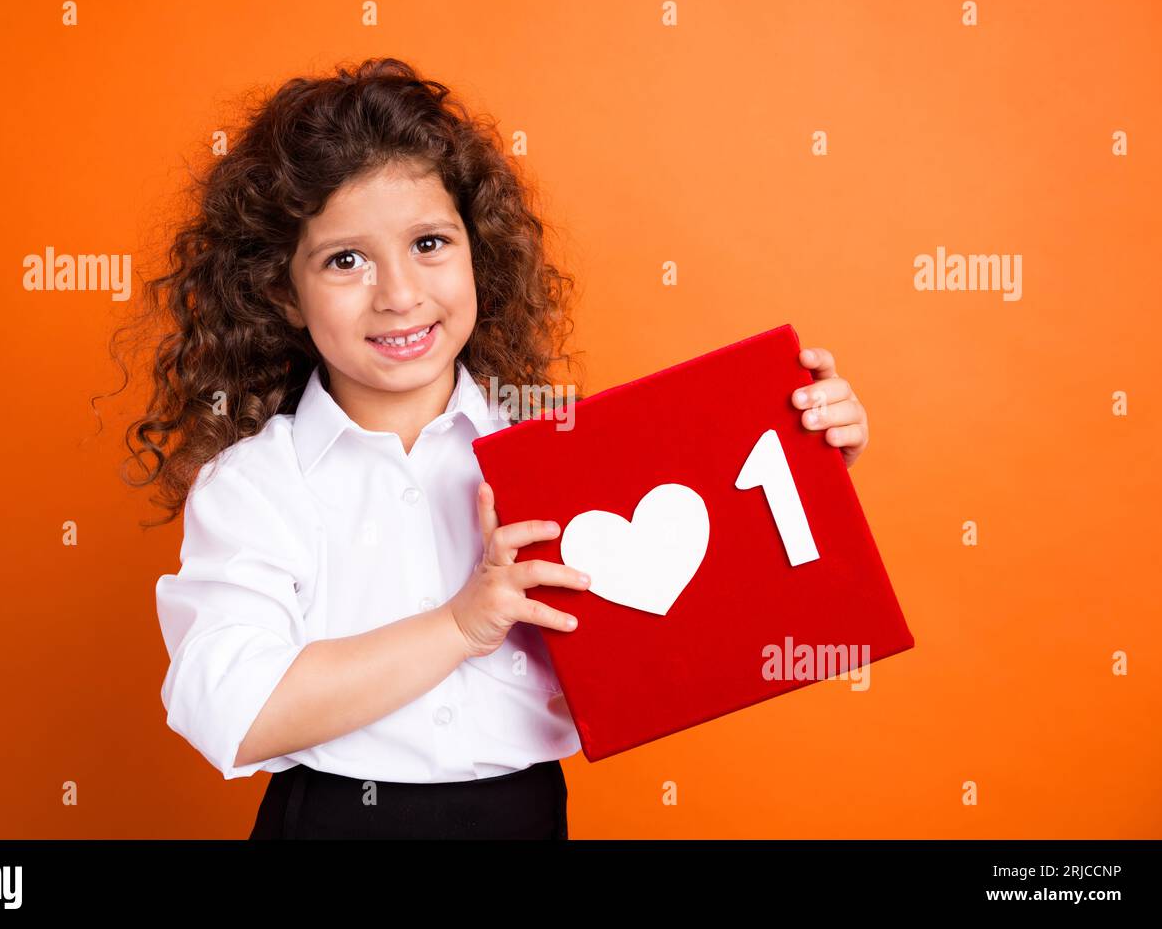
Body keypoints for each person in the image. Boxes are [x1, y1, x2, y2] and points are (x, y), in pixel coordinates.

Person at [115, 57, 871, 839]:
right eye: (346, 260)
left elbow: (703, 587)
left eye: (429, 243)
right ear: (283, 292)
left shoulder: (558, 445)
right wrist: (458, 627)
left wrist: (806, 461)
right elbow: (232, 710)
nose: (399, 294)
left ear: (478, 252)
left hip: (523, 816)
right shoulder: (256, 484)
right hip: (336, 821)